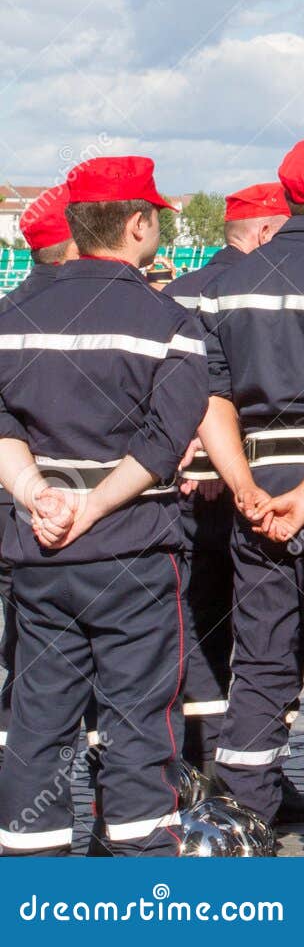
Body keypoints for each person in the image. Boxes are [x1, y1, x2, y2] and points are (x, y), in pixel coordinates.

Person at [0, 156, 206, 855]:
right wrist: (90, 509)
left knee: (37, 726)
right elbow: (164, 442)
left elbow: (5, 427)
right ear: (138, 224)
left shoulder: (10, 316)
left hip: (38, 552)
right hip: (133, 556)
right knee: (139, 725)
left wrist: (37, 495)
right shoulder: (169, 321)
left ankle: (30, 887)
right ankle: (141, 885)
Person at [196, 143, 304, 824]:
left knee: (263, 658)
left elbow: (213, 401)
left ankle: (241, 814)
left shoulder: (230, 283)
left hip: (257, 483)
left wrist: (243, 488)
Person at [164, 182, 290, 773]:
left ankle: (200, 766)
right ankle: (247, 775)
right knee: (268, 641)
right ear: (266, 233)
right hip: (256, 488)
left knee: (198, 633)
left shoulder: (176, 295)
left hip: (187, 489)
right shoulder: (267, 288)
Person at [0, 185, 77, 769]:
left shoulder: (8, 315)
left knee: (27, 665)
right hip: (100, 521)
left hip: (17, 522)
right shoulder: (108, 311)